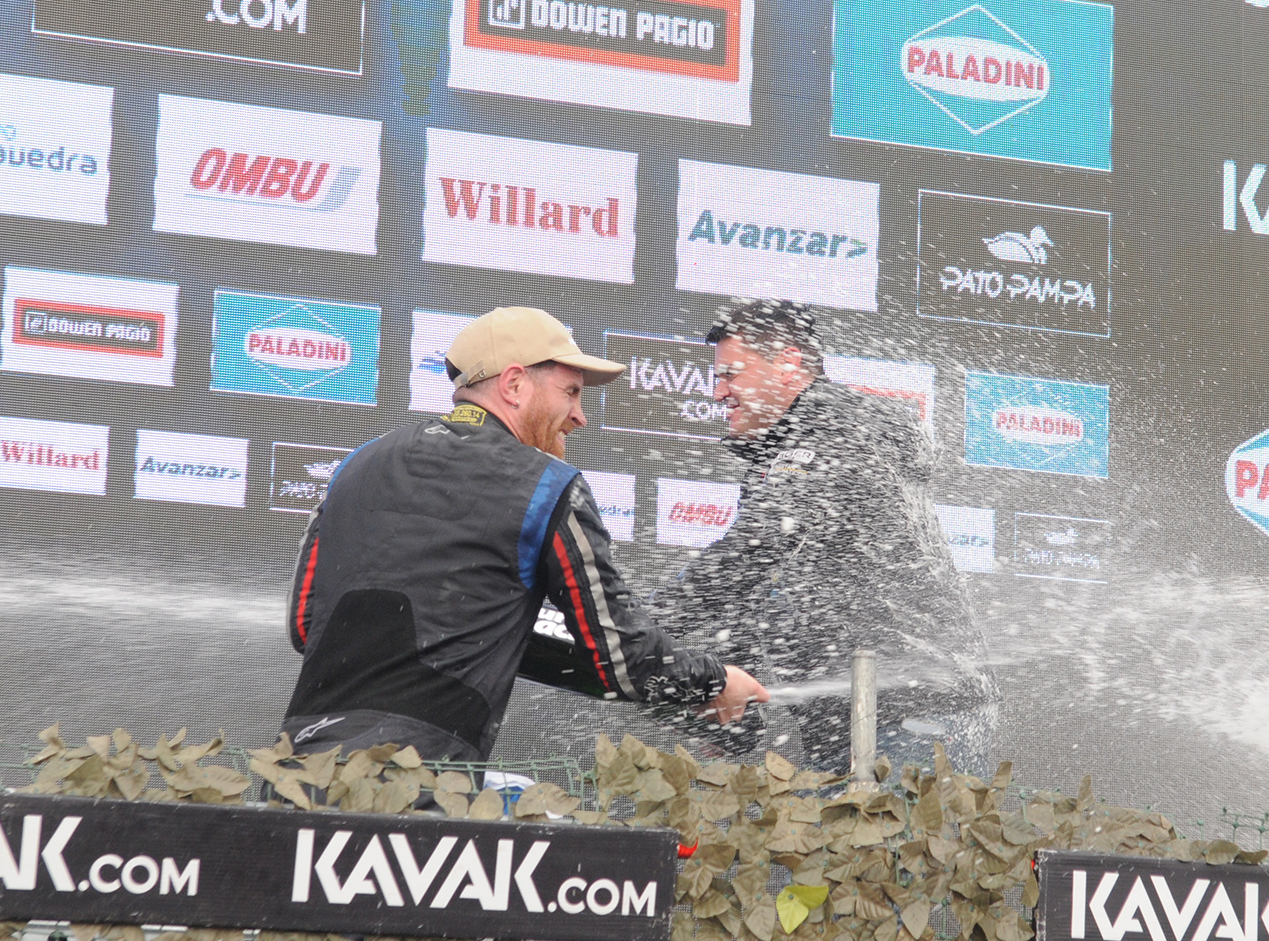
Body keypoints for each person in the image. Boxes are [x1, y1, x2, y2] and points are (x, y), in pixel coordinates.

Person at [278, 306, 768, 761]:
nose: (581, 416)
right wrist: (714, 681)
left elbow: (306, 625)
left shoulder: (359, 462)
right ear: (514, 384)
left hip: (298, 765)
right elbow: (621, 659)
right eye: (571, 393)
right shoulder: (548, 484)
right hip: (418, 782)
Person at [649, 299, 998, 774]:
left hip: (907, 718)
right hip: (860, 718)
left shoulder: (833, 427)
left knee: (894, 850)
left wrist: (640, 627)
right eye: (718, 378)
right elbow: (760, 587)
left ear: (789, 364)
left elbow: (761, 546)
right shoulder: (789, 452)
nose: (719, 393)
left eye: (731, 374)